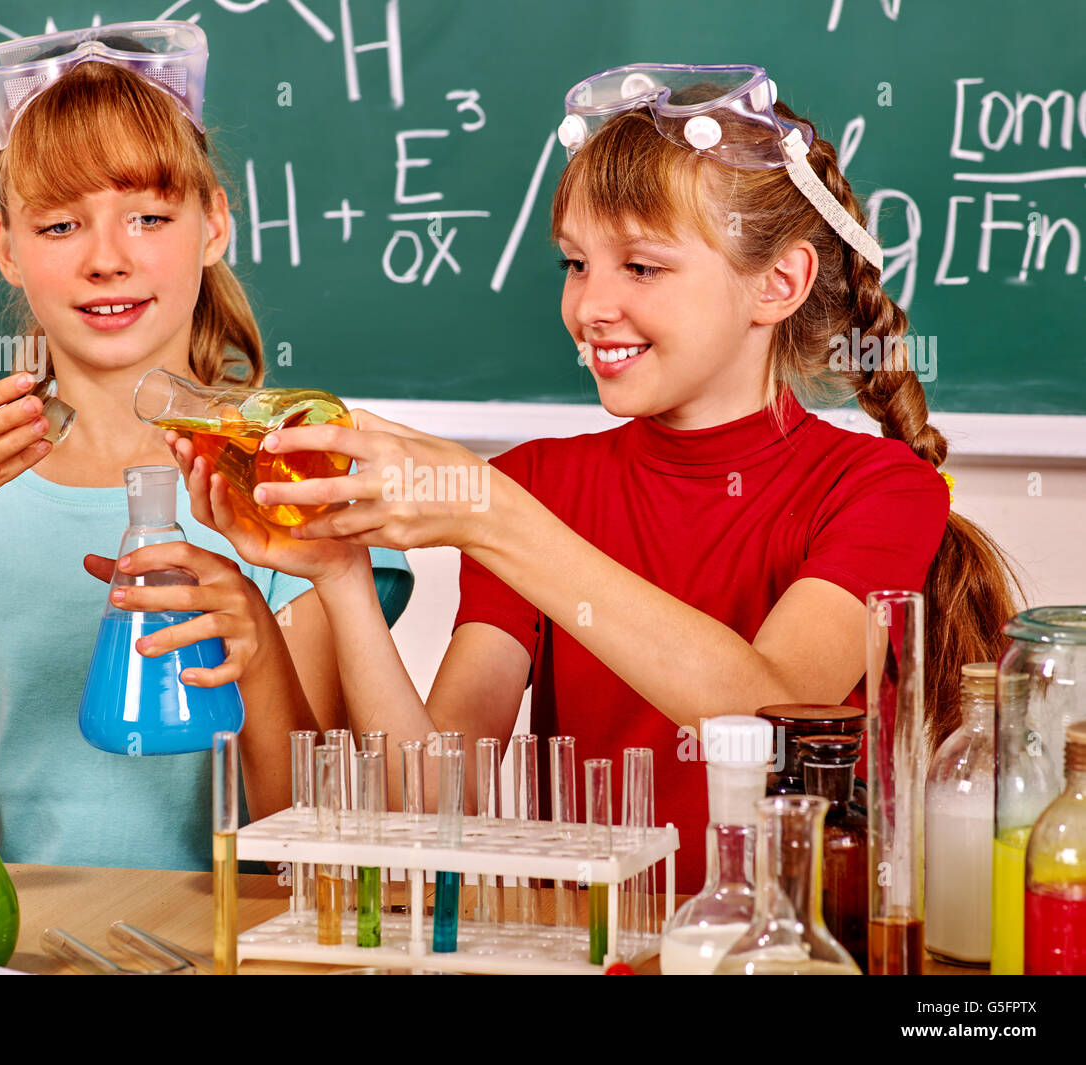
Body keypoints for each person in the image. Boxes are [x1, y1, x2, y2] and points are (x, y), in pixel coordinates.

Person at [167, 63, 1020, 890]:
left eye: (641, 267)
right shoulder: (540, 483)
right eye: (576, 264)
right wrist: (344, 577)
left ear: (779, 282)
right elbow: (431, 810)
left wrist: (495, 515)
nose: (590, 306)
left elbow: (767, 714)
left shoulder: (882, 487)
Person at [0, 23, 411, 872]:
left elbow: (314, 840)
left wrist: (258, 645)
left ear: (216, 225)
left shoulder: (287, 468)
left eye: (150, 216)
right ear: (5, 247)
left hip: (221, 944)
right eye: (59, 228)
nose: (107, 260)